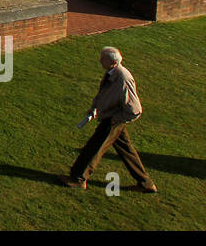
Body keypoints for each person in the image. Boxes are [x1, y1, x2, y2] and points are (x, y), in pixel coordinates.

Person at [62, 47, 157, 192]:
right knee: (127, 151)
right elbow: (105, 94)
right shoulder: (112, 73)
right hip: (111, 117)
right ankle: (146, 183)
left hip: (113, 121)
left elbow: (135, 109)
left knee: (94, 148)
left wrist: (116, 119)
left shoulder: (123, 78)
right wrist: (95, 108)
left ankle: (79, 179)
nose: (100, 60)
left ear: (112, 62)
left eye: (103, 58)